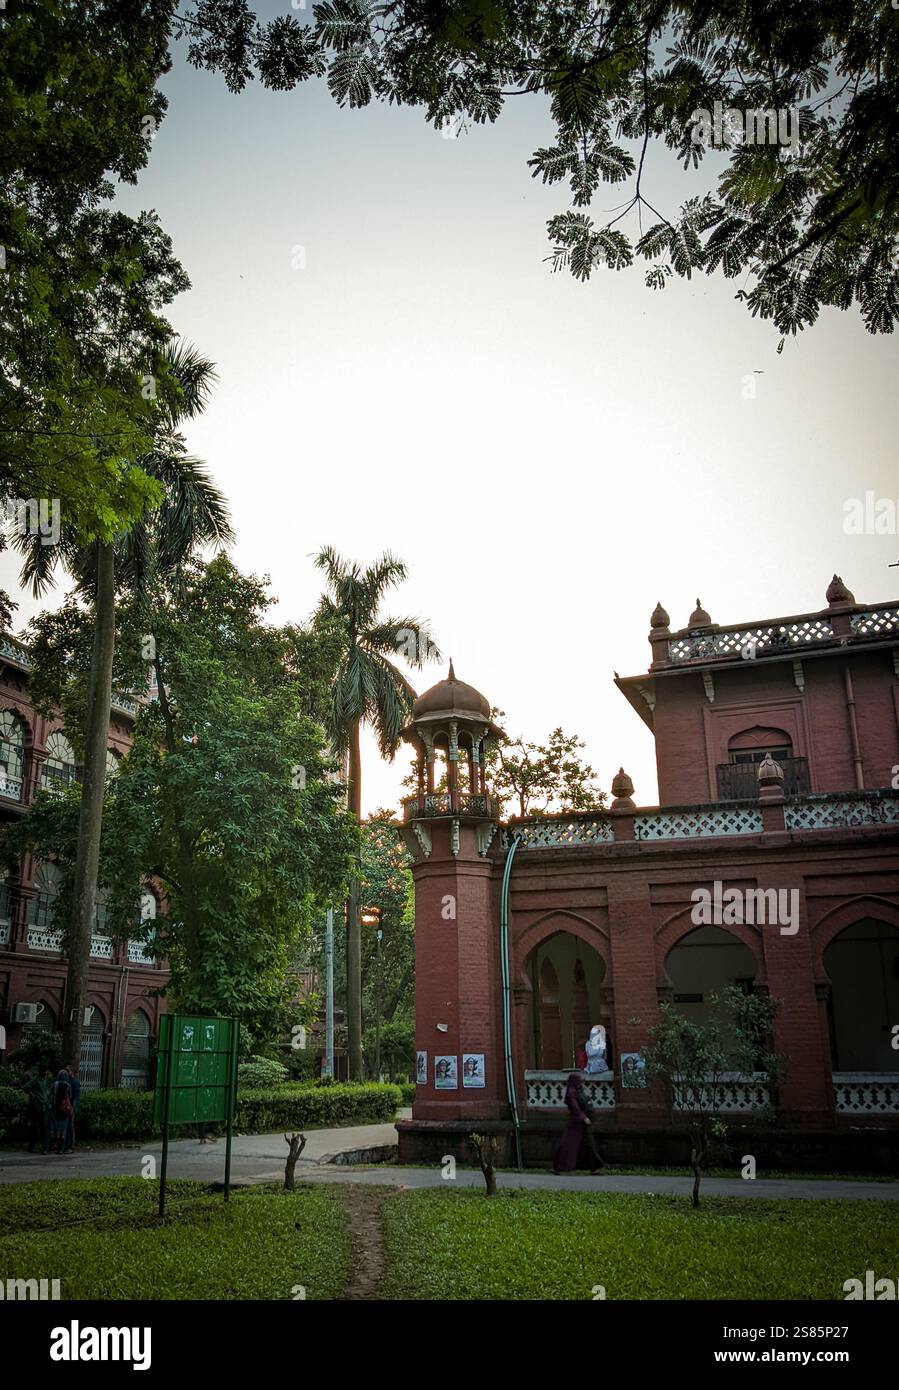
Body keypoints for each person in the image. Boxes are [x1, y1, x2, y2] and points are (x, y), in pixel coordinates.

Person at [553, 1072, 606, 1175]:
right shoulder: (571, 1092)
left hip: (582, 1124)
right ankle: (561, 1167)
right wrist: (583, 1117)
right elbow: (575, 1107)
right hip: (576, 1123)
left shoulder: (578, 1090)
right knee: (569, 1145)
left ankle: (593, 1168)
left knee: (586, 1145)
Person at [22, 1068, 48, 1153]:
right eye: (44, 1071)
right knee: (34, 1127)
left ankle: (43, 1146)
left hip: (42, 1106)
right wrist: (32, 1095)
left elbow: (43, 1092)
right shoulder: (35, 1079)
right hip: (35, 1106)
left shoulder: (43, 1080)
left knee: (43, 1127)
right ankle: (31, 1147)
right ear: (41, 1072)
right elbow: (25, 1087)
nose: (46, 1073)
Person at [49, 1069, 72, 1155]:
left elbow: (50, 1095)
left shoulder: (55, 1084)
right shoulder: (68, 1086)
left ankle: (49, 1147)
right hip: (64, 1110)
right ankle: (61, 1149)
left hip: (55, 1109)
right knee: (63, 1130)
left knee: (53, 1129)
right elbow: (70, 1097)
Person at [63, 1064, 81, 1153]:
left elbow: (75, 1097)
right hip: (67, 1105)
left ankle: (70, 1145)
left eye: (68, 1071)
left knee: (70, 1125)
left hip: (71, 1106)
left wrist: (71, 1108)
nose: (66, 1072)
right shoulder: (66, 1081)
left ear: (72, 1072)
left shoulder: (74, 1082)